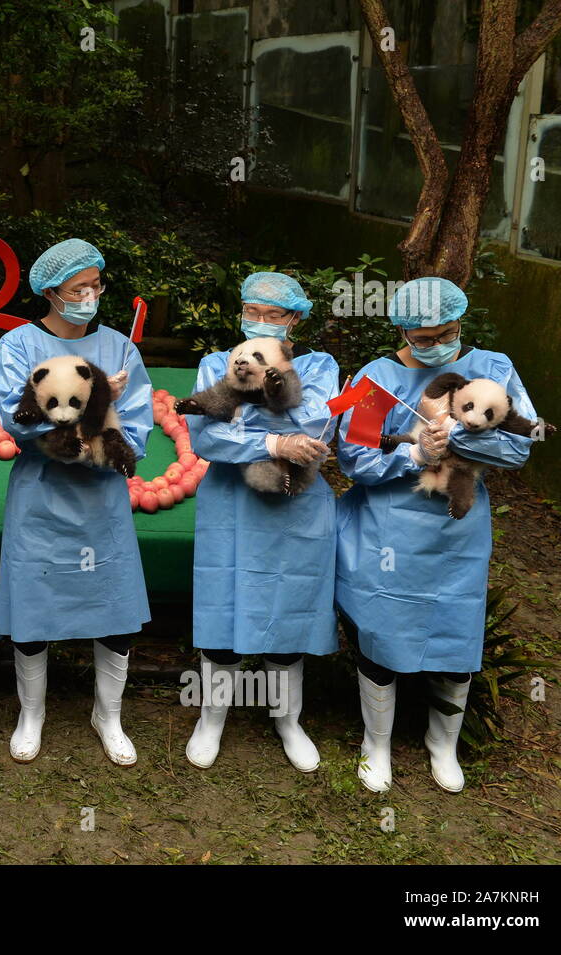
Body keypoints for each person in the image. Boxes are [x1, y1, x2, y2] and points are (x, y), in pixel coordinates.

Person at [336, 276, 539, 793]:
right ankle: (375, 743)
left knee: (456, 633)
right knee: (380, 632)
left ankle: (442, 745)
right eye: (419, 338)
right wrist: (414, 454)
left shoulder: (494, 367)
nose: (432, 346)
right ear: (401, 328)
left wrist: (467, 442)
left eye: (442, 334)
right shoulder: (376, 377)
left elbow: (522, 446)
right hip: (387, 527)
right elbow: (353, 456)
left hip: (457, 528)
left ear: (460, 322)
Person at [0, 238, 154, 766]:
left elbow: (137, 428)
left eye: (95, 286)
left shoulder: (121, 349)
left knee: (115, 607)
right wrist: (84, 416)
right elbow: (19, 417)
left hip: (102, 499)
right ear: (49, 292)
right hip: (40, 496)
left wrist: (100, 443)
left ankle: (107, 715)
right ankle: (31, 712)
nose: (89, 296)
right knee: (33, 605)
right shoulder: (18, 345)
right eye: (76, 289)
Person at [182, 272, 338, 772]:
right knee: (222, 605)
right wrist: (271, 441)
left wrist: (248, 426)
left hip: (295, 506)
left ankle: (288, 718)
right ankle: (212, 716)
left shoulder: (319, 366)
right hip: (229, 506)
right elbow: (205, 439)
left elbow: (315, 424)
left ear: (296, 319)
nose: (262, 321)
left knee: (287, 604)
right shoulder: (215, 362)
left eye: (274, 315)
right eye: (254, 312)